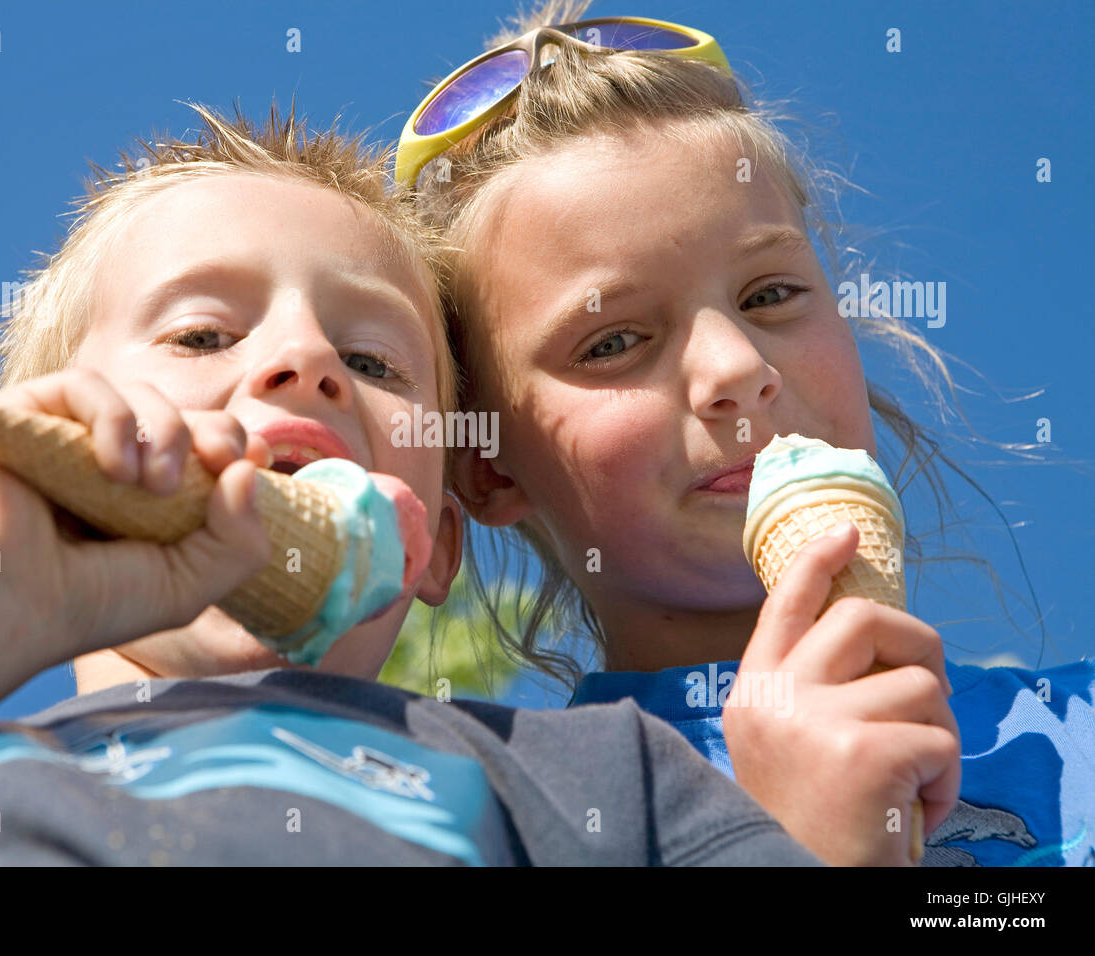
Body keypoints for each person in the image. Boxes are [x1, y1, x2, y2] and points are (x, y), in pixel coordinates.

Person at [0, 101, 821, 867]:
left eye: (372, 363)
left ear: (438, 548)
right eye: (202, 333)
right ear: (45, 439)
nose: (303, 359)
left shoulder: (611, 777)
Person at [404, 0, 1095, 867]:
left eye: (769, 295)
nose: (736, 368)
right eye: (614, 341)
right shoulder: (497, 814)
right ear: (486, 469)